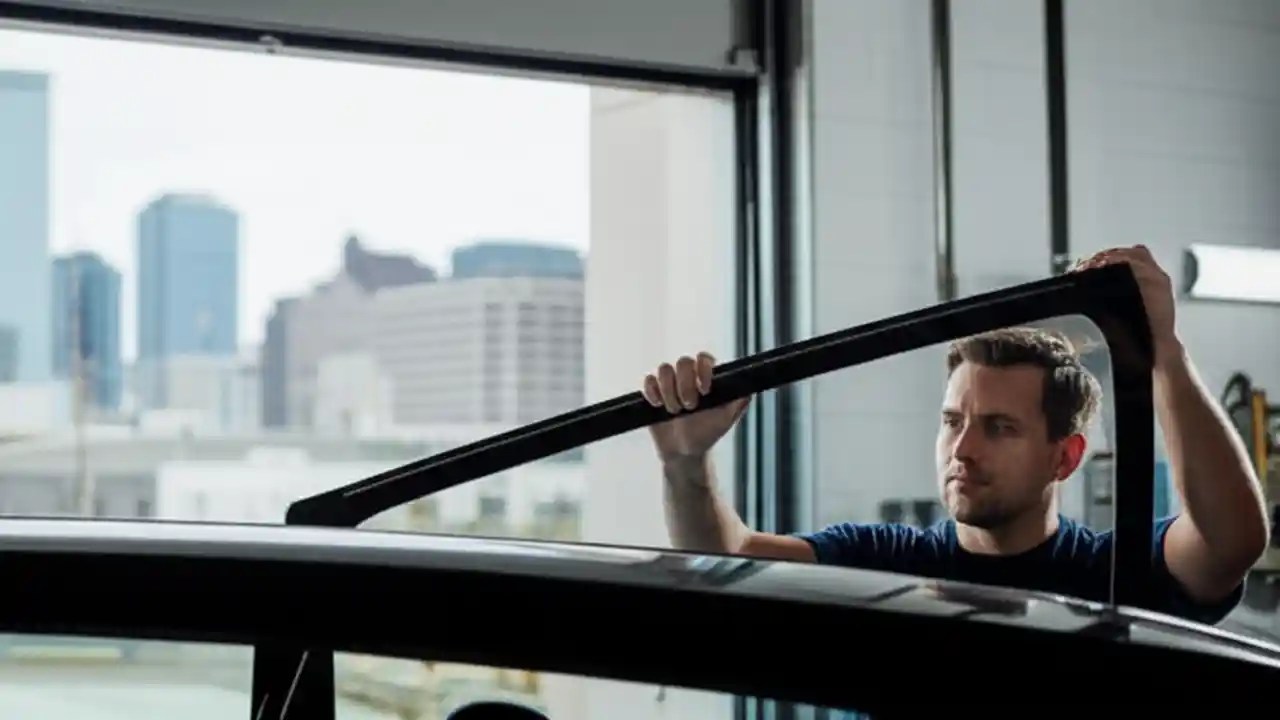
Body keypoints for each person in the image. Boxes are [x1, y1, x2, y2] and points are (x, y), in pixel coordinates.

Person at [641, 245, 1269, 624]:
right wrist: (686, 463)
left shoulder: (1115, 572)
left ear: (1066, 457)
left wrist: (1162, 349)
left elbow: (1233, 538)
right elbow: (727, 565)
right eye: (952, 422)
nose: (963, 448)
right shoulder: (886, 564)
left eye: (999, 428)